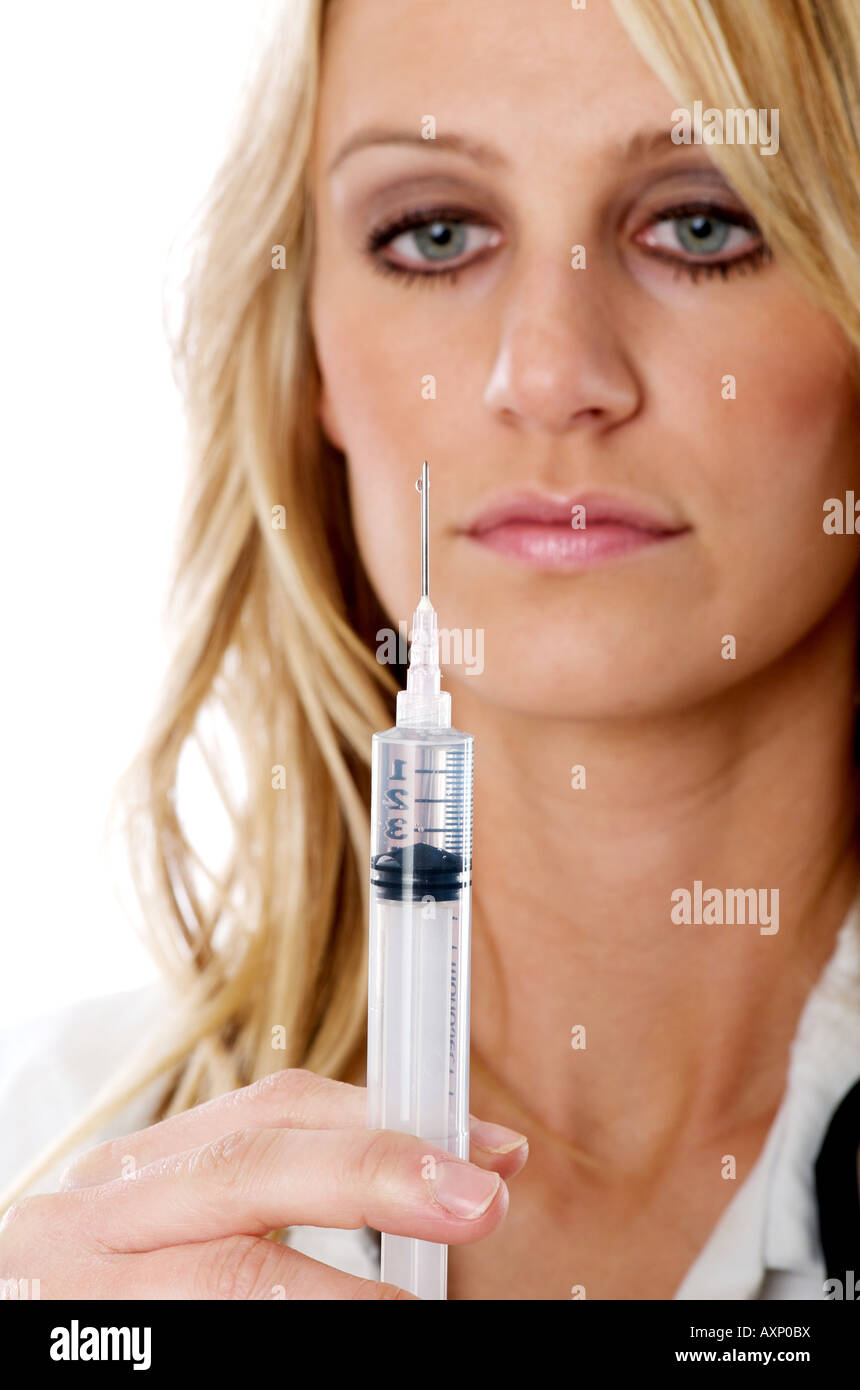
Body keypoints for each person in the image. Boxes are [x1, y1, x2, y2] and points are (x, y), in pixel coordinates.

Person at [2, 0, 859, 1301]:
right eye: (436, 234)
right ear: (317, 369)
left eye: (702, 221)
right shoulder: (60, 1175)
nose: (549, 371)